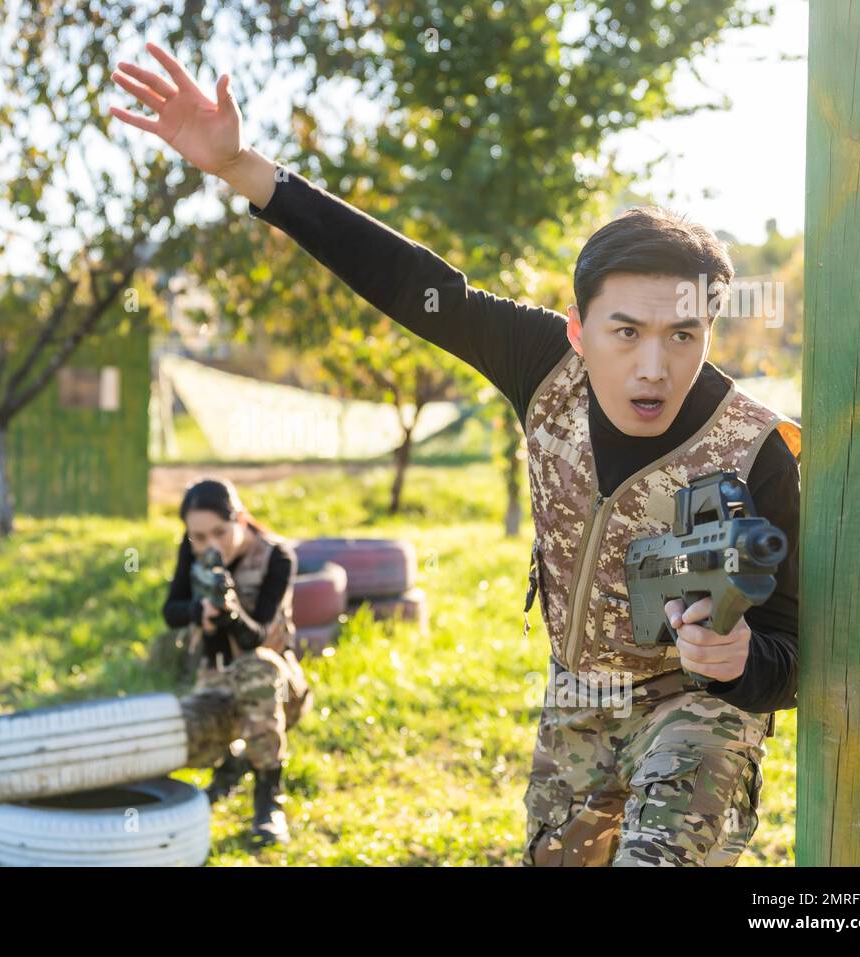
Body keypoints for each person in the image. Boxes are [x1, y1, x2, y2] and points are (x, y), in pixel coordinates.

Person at [110, 43, 801, 866]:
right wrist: (243, 168)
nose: (655, 364)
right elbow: (410, 283)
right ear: (578, 332)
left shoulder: (756, 446)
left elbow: (794, 654)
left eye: (683, 334)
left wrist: (741, 661)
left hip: (699, 712)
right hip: (577, 699)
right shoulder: (541, 362)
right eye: (627, 333)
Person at [162, 476, 312, 846]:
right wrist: (200, 611)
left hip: (276, 689)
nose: (210, 545)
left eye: (220, 532)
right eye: (198, 537)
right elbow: (170, 612)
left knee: (255, 667)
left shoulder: (276, 556)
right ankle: (231, 763)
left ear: (240, 519)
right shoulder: (191, 548)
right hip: (218, 684)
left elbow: (258, 634)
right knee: (183, 735)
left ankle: (268, 797)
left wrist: (230, 614)